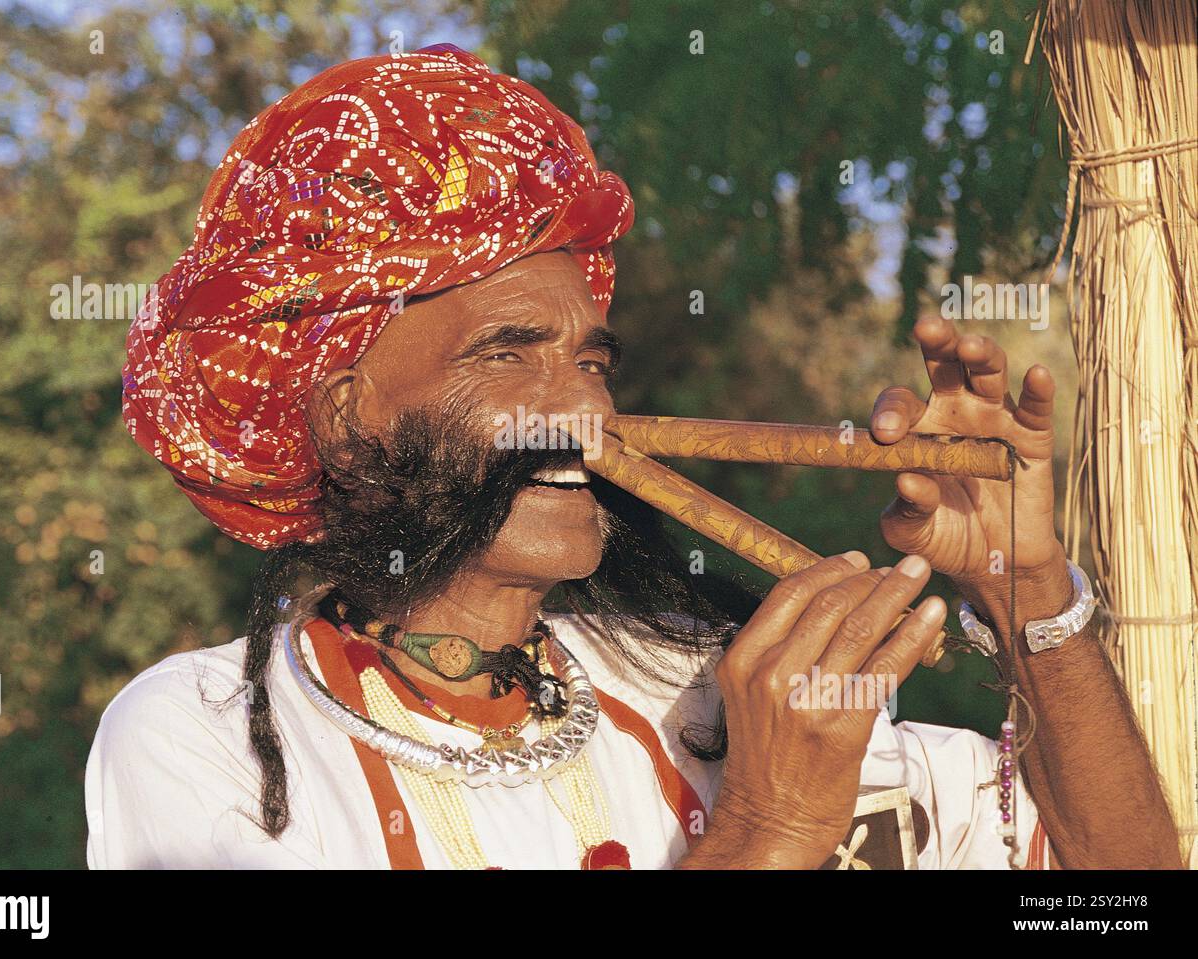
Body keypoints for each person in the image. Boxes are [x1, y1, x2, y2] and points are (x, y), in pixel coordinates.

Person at [85, 44, 1180, 870]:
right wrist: (770, 820)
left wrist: (1023, 585)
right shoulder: (206, 735)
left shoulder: (701, 680)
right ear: (341, 417)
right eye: (508, 353)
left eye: (593, 358)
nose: (583, 408)